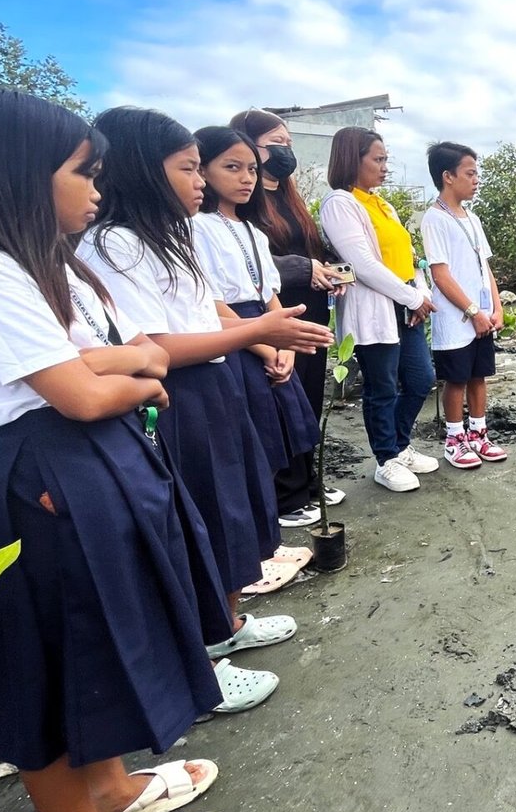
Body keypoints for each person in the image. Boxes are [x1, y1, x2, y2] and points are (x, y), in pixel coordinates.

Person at [0, 89, 223, 812]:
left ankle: (111, 789)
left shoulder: (24, 260)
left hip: (82, 455)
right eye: (83, 172)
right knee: (49, 652)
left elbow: (127, 354)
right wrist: (134, 378)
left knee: (97, 630)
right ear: (18, 172)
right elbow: (83, 391)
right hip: (47, 468)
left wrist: (123, 366)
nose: (95, 189)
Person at [81, 108, 330, 697]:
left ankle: (229, 622)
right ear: (143, 169)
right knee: (200, 520)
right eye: (189, 169)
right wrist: (258, 332)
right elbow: (155, 345)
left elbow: (207, 312)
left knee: (232, 508)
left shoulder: (166, 236)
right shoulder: (114, 246)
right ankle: (205, 656)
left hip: (214, 383)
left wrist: (267, 334)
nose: (199, 183)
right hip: (179, 396)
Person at [190, 127, 323, 510]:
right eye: (232, 167)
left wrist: (287, 346)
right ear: (203, 170)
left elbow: (269, 294)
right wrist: (267, 347)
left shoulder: (253, 231)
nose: (246, 178)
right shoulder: (196, 228)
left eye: (251, 169)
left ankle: (289, 499)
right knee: (251, 430)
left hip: (270, 329)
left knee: (282, 424)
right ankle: (272, 506)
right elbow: (211, 300)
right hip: (237, 334)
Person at [235, 107, 348, 527]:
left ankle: (307, 481)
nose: (285, 151)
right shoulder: (244, 204)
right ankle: (285, 493)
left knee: (309, 396)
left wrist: (329, 270)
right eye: (275, 143)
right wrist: (305, 268)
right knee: (282, 396)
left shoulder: (289, 196)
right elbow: (250, 264)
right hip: (274, 311)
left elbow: (310, 248)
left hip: (310, 308)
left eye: (288, 142)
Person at [317, 126, 441, 491]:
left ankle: (399, 446)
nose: (385, 167)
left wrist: (418, 292)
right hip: (374, 310)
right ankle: (386, 459)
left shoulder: (382, 205)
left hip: (404, 305)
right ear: (352, 160)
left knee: (421, 379)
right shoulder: (340, 204)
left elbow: (408, 257)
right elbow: (362, 264)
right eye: (378, 159)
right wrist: (412, 298)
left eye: (386, 159)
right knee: (382, 387)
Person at [421, 141, 510, 468]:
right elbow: (441, 275)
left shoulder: (472, 218)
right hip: (456, 318)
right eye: (470, 173)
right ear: (448, 176)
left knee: (478, 375)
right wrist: (472, 311)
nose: (476, 179)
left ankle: (478, 434)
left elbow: (485, 266)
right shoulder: (434, 219)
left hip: (481, 316)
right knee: (456, 378)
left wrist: (496, 307)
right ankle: (455, 439)